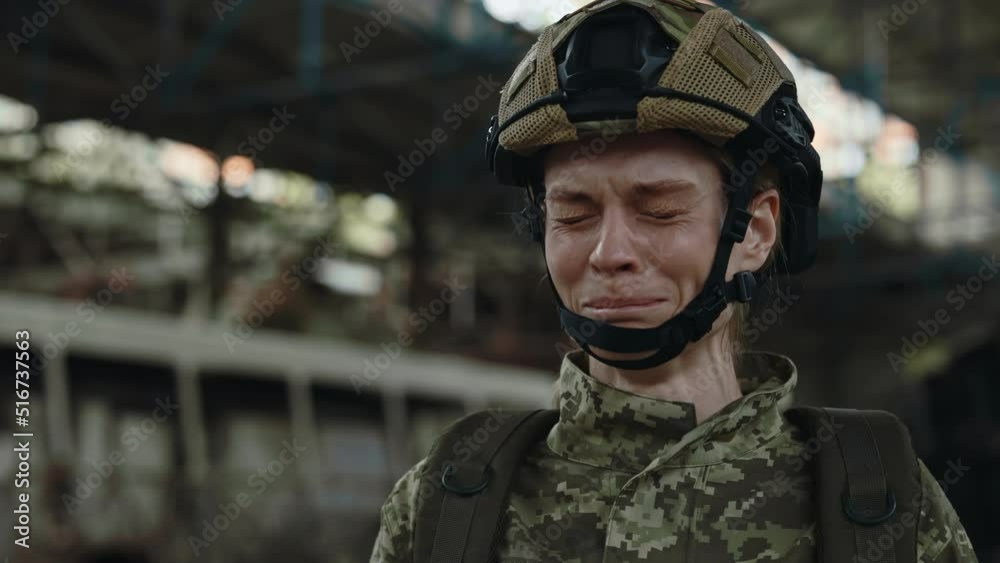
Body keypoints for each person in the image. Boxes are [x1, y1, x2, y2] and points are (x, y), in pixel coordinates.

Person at [369, 1, 979, 561]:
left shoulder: (881, 506)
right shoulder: (445, 506)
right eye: (574, 215)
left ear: (755, 232)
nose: (610, 253)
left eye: (659, 211)